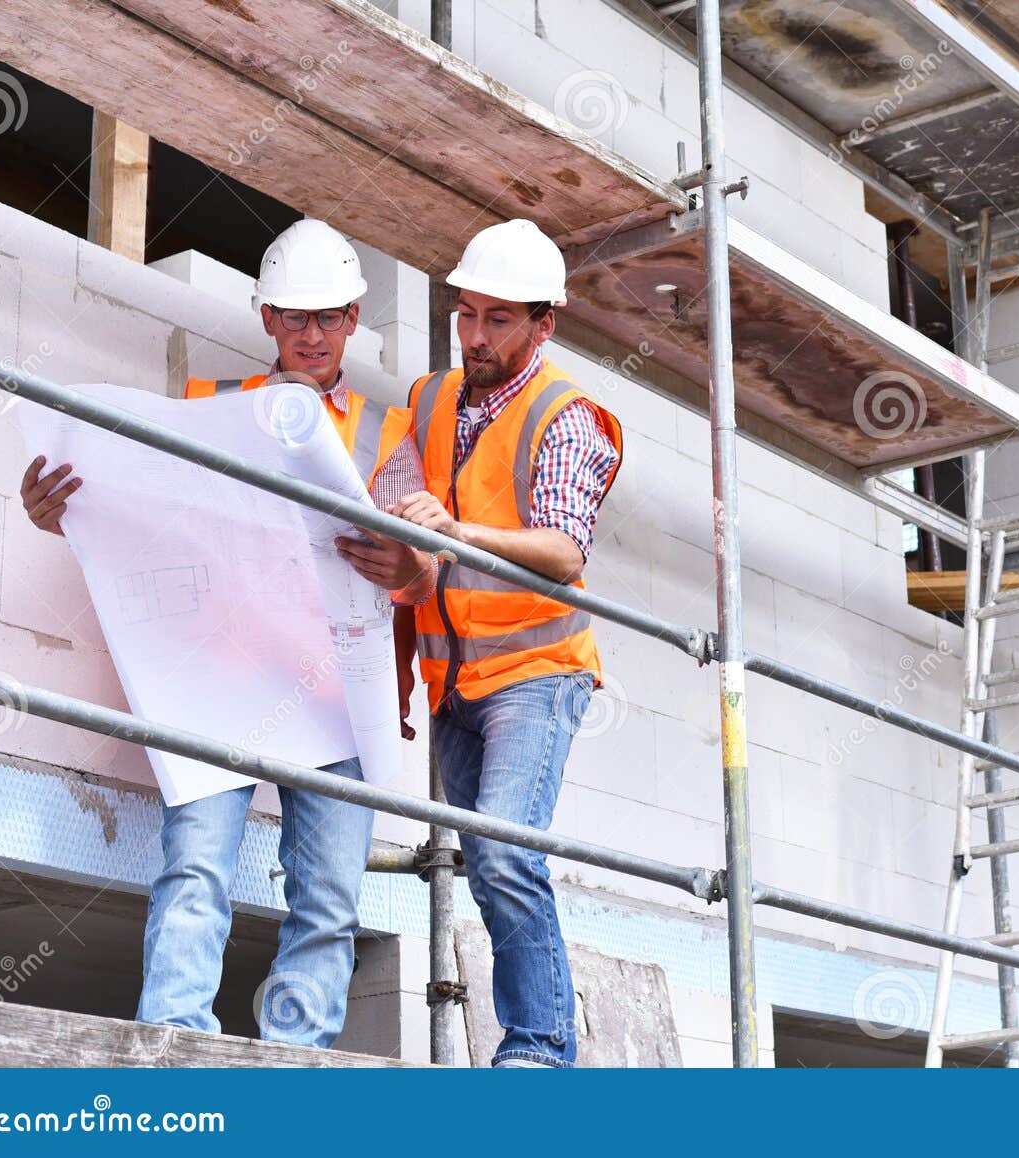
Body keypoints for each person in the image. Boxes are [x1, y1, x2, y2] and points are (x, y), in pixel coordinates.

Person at [18, 218, 436, 1048]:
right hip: (220, 686)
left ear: (355, 318)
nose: (310, 335)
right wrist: (60, 518)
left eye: (327, 317)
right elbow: (148, 526)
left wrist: (410, 571)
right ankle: (175, 1045)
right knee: (195, 867)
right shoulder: (208, 411)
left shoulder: (391, 438)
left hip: (337, 694)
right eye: (293, 316)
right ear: (266, 317)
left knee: (327, 896)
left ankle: (297, 1060)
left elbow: (426, 576)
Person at [395, 219, 622, 1068]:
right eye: (466, 314)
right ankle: (532, 1043)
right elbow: (389, 509)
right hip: (451, 677)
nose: (476, 335)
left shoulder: (567, 418)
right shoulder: (428, 400)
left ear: (543, 324)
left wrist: (455, 529)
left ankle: (539, 1049)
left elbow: (564, 552)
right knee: (489, 863)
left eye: (498, 319)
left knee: (500, 848)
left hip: (536, 672)